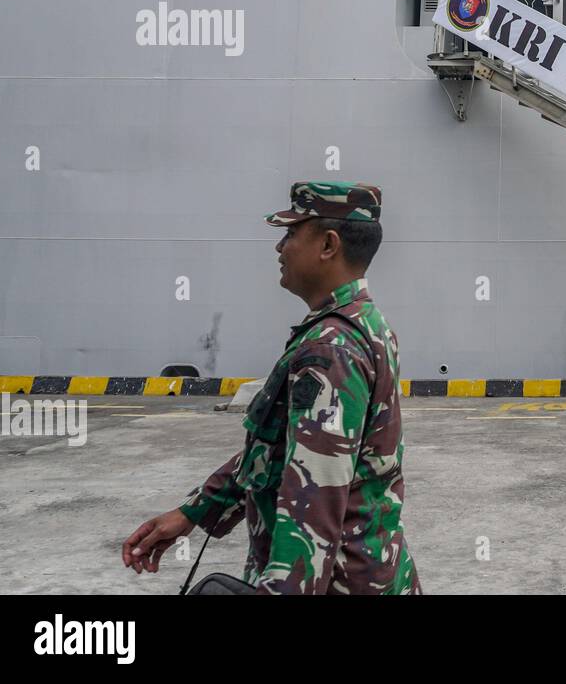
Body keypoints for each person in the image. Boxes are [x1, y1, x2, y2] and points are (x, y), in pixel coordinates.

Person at [121, 181, 418, 594]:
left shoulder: (331, 349)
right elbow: (280, 450)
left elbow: (313, 507)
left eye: (292, 233)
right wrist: (195, 511)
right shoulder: (363, 324)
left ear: (328, 245)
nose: (281, 247)